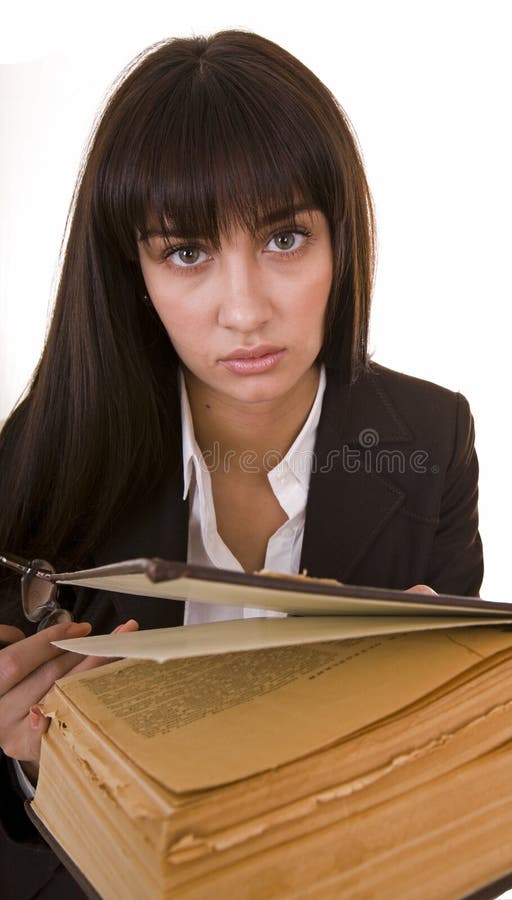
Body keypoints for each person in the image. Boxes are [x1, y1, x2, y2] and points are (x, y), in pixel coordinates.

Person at [0, 31, 483, 898]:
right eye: (185, 251)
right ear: (132, 273)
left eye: (285, 238)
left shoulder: (430, 436)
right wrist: (34, 767)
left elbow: (454, 807)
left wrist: (440, 716)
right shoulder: (35, 456)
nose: (245, 310)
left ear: (342, 241)